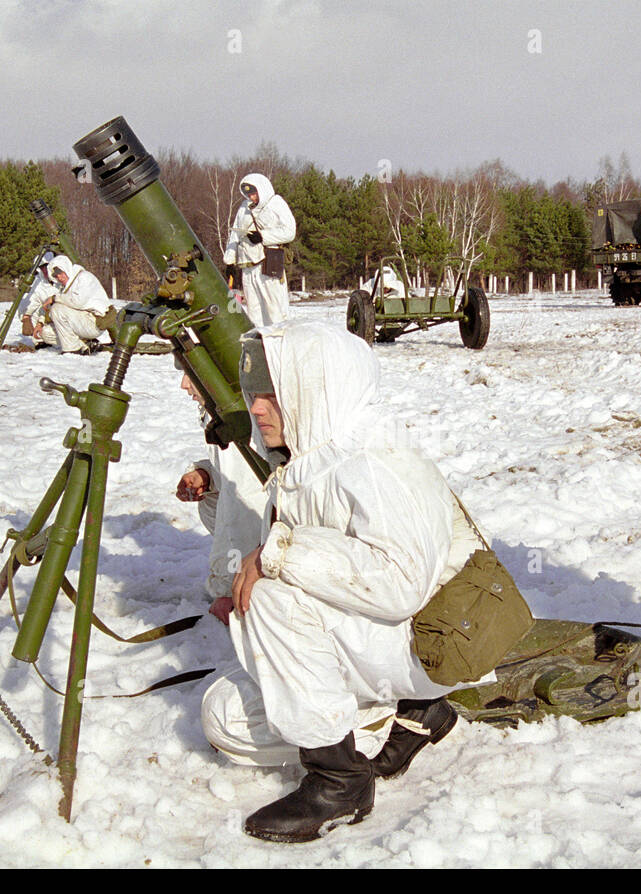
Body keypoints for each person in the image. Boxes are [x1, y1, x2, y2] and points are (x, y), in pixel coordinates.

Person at [200, 322, 480, 842]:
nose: (257, 408)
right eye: (254, 393)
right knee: (222, 718)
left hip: (438, 641)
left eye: (273, 394)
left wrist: (279, 553)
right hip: (403, 641)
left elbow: (401, 581)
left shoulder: (374, 461)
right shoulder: (315, 455)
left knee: (269, 598)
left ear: (317, 389)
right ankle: (415, 714)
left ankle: (340, 780)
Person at [174, 370, 269, 624]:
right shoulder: (228, 408)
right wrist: (206, 474)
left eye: (189, 373)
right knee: (214, 501)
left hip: (272, 538)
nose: (184, 385)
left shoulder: (238, 418)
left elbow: (246, 500)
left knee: (235, 503)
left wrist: (228, 591)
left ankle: (252, 587)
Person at [222, 173, 296, 327]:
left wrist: (263, 237)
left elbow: (289, 231)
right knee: (254, 312)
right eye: (248, 193)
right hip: (247, 265)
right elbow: (235, 235)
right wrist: (230, 261)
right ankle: (259, 346)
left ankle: (279, 346)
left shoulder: (276, 203)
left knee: (275, 310)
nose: (251, 197)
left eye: (254, 193)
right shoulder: (244, 207)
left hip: (268, 263)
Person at [24, 254, 113, 354]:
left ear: (66, 268)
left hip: (95, 322)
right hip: (81, 322)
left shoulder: (84, 277)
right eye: (55, 275)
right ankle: (84, 345)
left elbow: (78, 302)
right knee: (45, 333)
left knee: (57, 309)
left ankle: (72, 349)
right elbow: (48, 304)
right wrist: (40, 322)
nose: (59, 277)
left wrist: (54, 298)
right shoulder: (65, 285)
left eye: (60, 272)